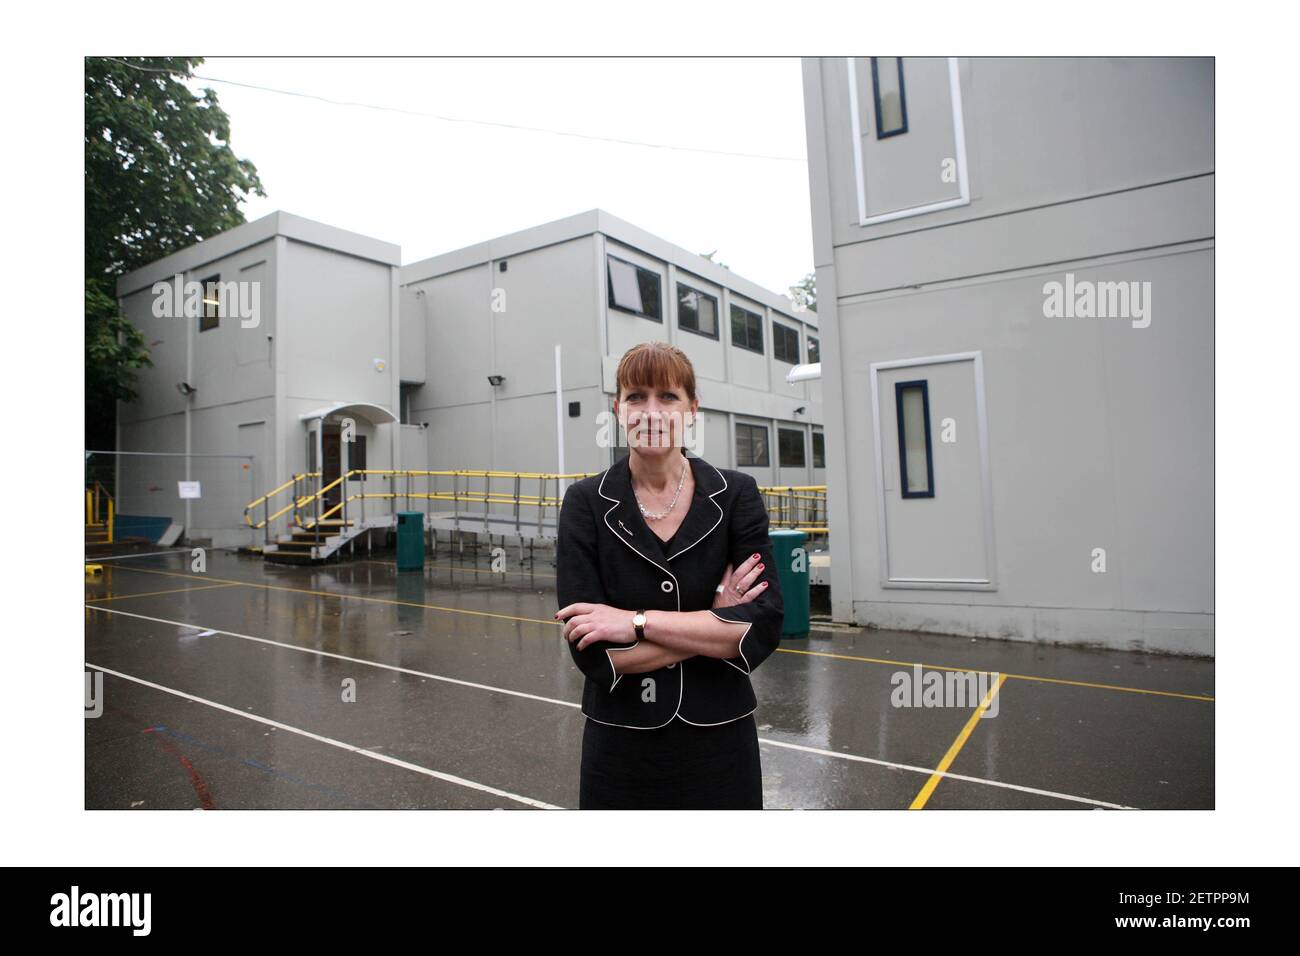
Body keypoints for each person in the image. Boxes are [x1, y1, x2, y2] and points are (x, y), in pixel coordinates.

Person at [554, 341, 784, 809]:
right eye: (636, 397)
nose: (651, 412)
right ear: (618, 410)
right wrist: (711, 622)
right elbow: (596, 656)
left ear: (692, 409)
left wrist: (634, 623)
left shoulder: (735, 494)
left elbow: (761, 625)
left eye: (668, 397)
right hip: (621, 746)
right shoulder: (586, 503)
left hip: (720, 741)